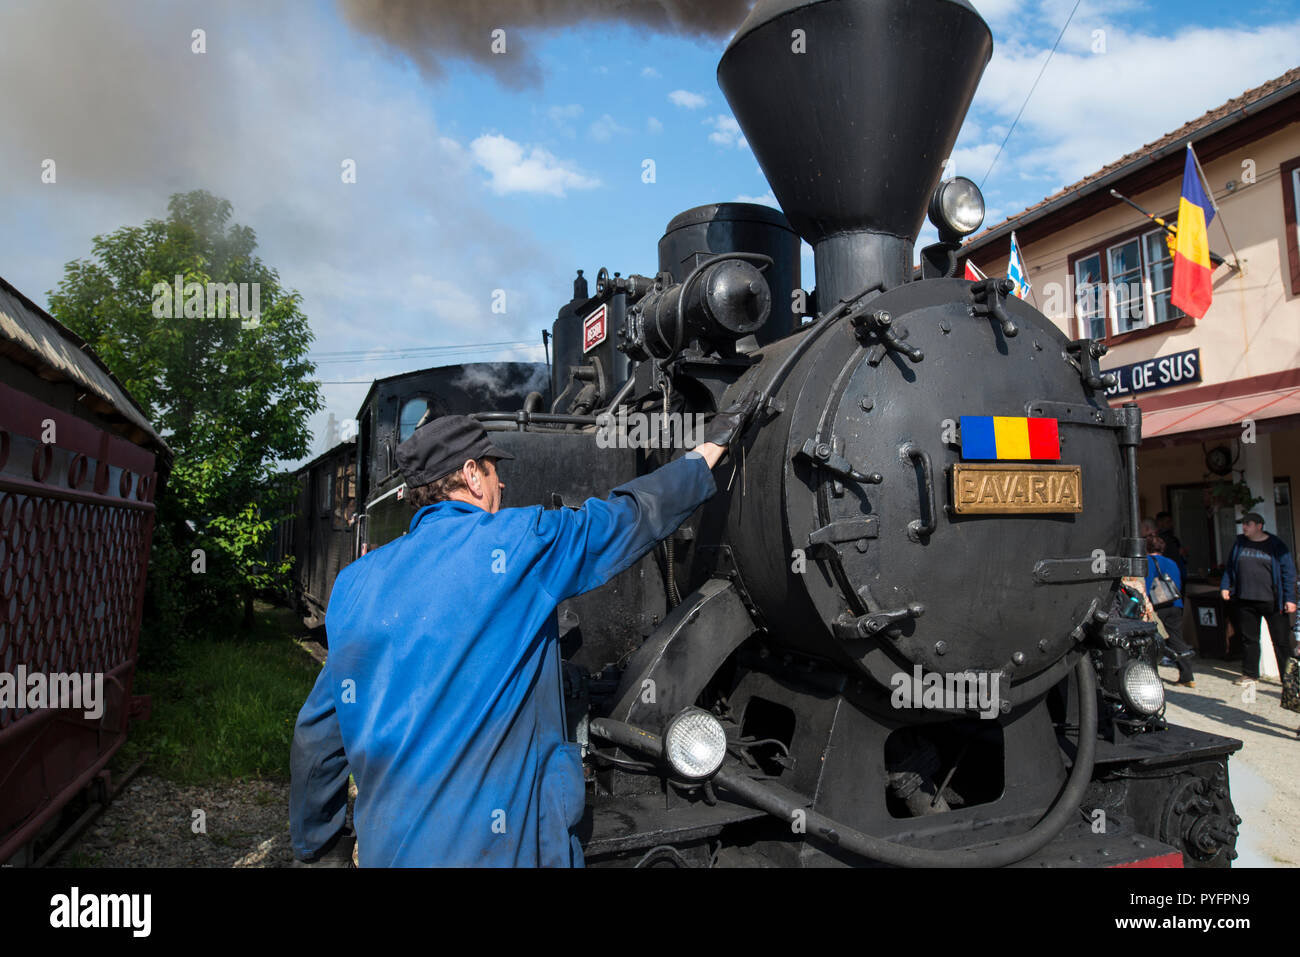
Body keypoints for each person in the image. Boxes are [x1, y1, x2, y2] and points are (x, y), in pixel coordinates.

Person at [289, 397, 759, 867]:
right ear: (472, 475)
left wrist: (320, 844)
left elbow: (317, 735)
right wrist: (708, 450)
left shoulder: (355, 583)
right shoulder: (517, 543)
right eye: (494, 470)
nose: (502, 481)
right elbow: (625, 519)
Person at [1220, 512, 1298, 686]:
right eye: (1243, 524)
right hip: (1245, 600)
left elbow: (1288, 573)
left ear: (1259, 526)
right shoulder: (1240, 543)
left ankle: (1290, 679)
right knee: (1249, 639)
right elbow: (1230, 567)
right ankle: (1250, 674)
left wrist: (1290, 599)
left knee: (1281, 641)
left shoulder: (1276, 545)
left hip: (1272, 602)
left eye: (1248, 524)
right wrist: (1226, 586)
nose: (1244, 527)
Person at [1145, 534, 1194, 687]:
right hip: (1175, 604)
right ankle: (1187, 676)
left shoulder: (1147, 561)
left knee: (1151, 641)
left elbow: (1146, 585)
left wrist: (1146, 604)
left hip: (1158, 606)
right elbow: (1180, 580)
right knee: (1176, 639)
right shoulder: (1172, 562)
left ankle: (1152, 677)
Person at [1156, 511, 1188, 582]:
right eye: (1167, 522)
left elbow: (1182, 557)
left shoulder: (1173, 539)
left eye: (1170, 522)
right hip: (1165, 577)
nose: (1170, 524)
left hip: (1176, 575)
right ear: (1160, 522)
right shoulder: (1156, 540)